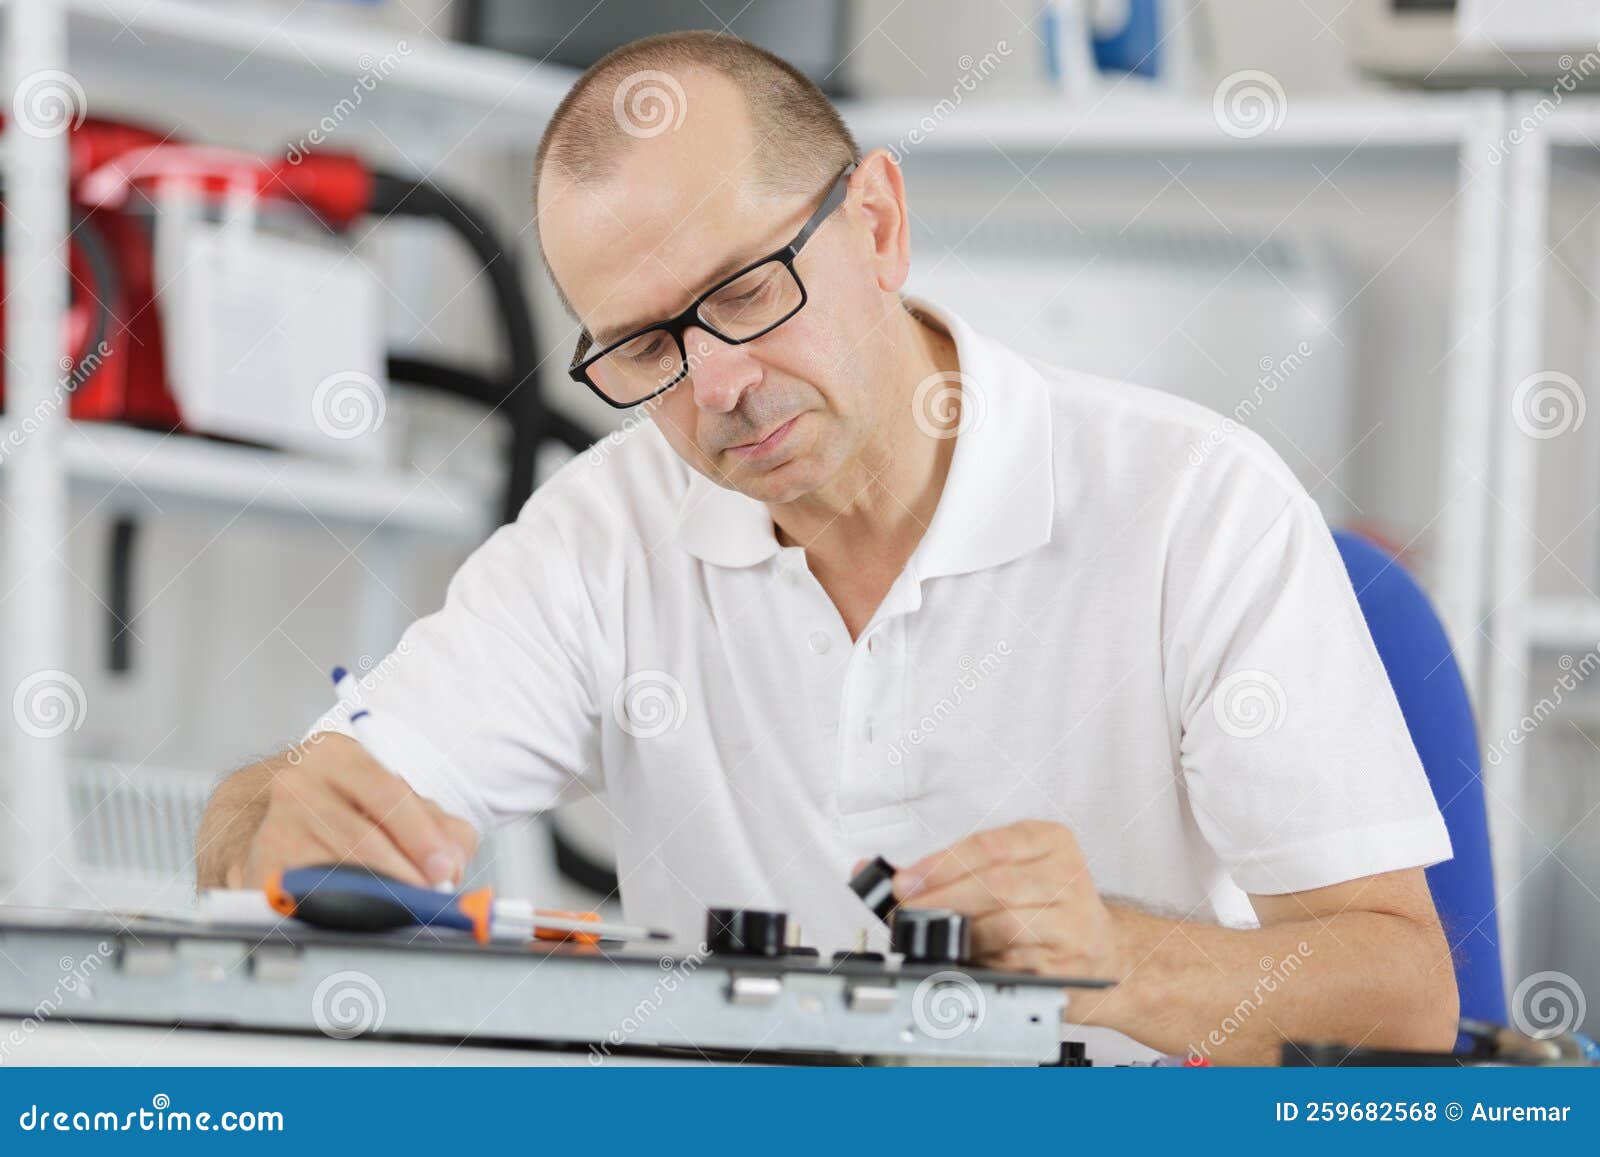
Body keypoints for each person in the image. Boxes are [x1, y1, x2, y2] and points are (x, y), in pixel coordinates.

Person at [198, 31, 1458, 1063]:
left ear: (878, 223)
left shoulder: (1196, 507)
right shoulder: (599, 534)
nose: (719, 386)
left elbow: (1405, 995)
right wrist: (272, 822)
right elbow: (305, 806)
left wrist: (1117, 957)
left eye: (747, 290)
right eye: (643, 346)